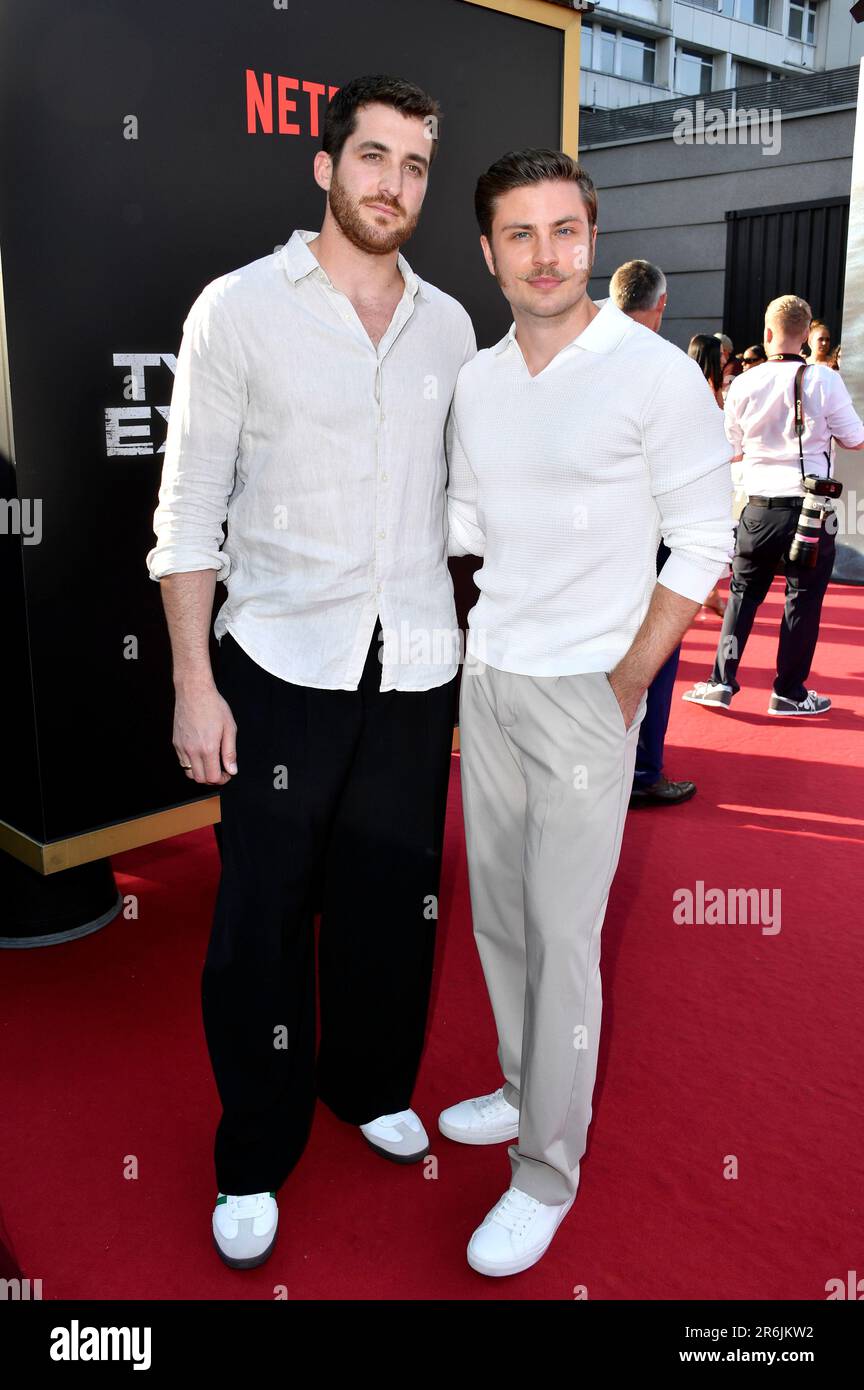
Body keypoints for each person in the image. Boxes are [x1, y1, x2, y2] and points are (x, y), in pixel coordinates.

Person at [145, 74, 476, 1269]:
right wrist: (195, 682)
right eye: (374, 157)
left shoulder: (449, 323)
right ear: (324, 166)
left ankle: (369, 1084)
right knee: (262, 922)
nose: (395, 184)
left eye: (417, 167)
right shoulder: (238, 309)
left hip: (416, 665)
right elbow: (186, 513)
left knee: (395, 902)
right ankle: (256, 1144)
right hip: (280, 661)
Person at [441, 150, 734, 1276]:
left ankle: (545, 1170)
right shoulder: (475, 379)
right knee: (499, 917)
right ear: (489, 253)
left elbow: (703, 535)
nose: (546, 254)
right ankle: (522, 1088)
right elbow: (469, 522)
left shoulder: (650, 372)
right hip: (493, 677)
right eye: (520, 234)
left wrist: (628, 682)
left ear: (592, 239)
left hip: (585, 695)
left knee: (564, 935)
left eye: (565, 230)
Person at [683, 294, 864, 716]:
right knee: (802, 599)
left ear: (767, 334)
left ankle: (720, 681)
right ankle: (789, 692)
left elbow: (731, 449)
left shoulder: (744, 383)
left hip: (759, 508)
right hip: (812, 511)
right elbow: (855, 438)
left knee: (743, 593)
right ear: (805, 337)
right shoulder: (825, 380)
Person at [609, 260, 697, 808]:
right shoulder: (672, 369)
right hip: (653, 538)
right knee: (655, 654)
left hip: (584, 541)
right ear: (660, 305)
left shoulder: (571, 355)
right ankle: (640, 772)